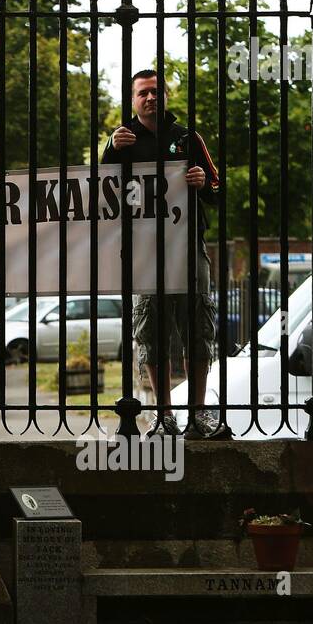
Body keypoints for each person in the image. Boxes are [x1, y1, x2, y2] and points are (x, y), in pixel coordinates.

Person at [103, 68, 231, 440]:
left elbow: (218, 189)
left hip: (188, 247)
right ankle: (163, 416)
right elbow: (100, 190)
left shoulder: (188, 139)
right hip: (144, 252)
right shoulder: (123, 141)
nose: (150, 98)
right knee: (152, 332)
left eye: (156, 91)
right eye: (143, 93)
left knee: (198, 329)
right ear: (132, 100)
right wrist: (111, 148)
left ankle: (197, 415)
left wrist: (204, 183)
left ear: (167, 96)